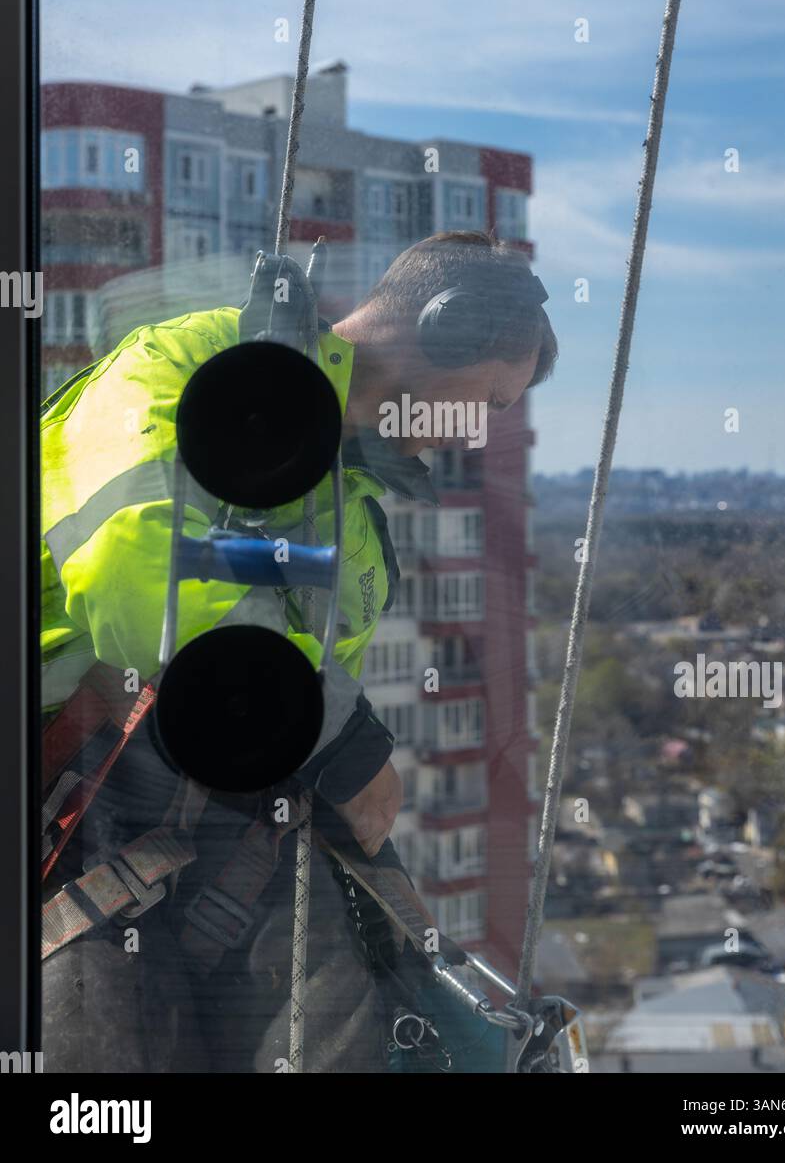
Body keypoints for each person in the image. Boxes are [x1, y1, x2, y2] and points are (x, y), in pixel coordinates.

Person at [40, 229, 557, 1073]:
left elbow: (295, 699)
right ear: (448, 328)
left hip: (187, 803)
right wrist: (345, 746)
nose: (475, 437)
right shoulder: (194, 366)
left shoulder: (354, 513)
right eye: (490, 402)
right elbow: (140, 584)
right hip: (64, 769)